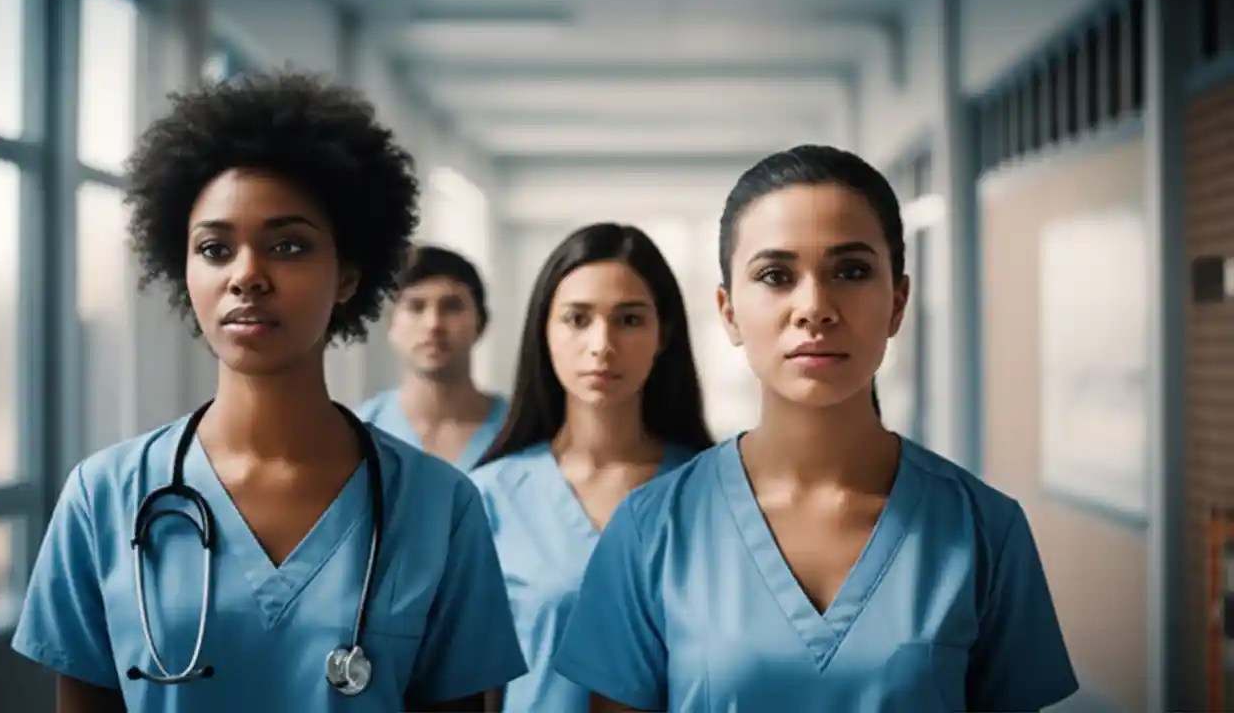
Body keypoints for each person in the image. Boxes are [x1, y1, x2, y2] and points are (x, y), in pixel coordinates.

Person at [11, 71, 525, 713]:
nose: (246, 275)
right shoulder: (104, 498)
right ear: (183, 269)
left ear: (348, 277)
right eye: (215, 248)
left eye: (288, 245)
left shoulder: (439, 508)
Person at [551, 145, 1079, 712]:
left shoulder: (982, 530)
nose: (815, 307)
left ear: (898, 302)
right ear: (729, 312)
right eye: (776, 276)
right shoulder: (650, 531)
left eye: (850, 271)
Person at [471, 223, 713, 713]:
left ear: (663, 332)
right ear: (545, 329)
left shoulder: (715, 493)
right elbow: (475, 692)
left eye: (628, 319)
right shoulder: (488, 498)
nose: (602, 344)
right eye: (577, 319)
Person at [356, 245, 507, 471]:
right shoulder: (357, 436)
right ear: (391, 323)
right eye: (416, 307)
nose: (434, 324)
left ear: (481, 322)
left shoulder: (520, 432)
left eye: (452, 307)